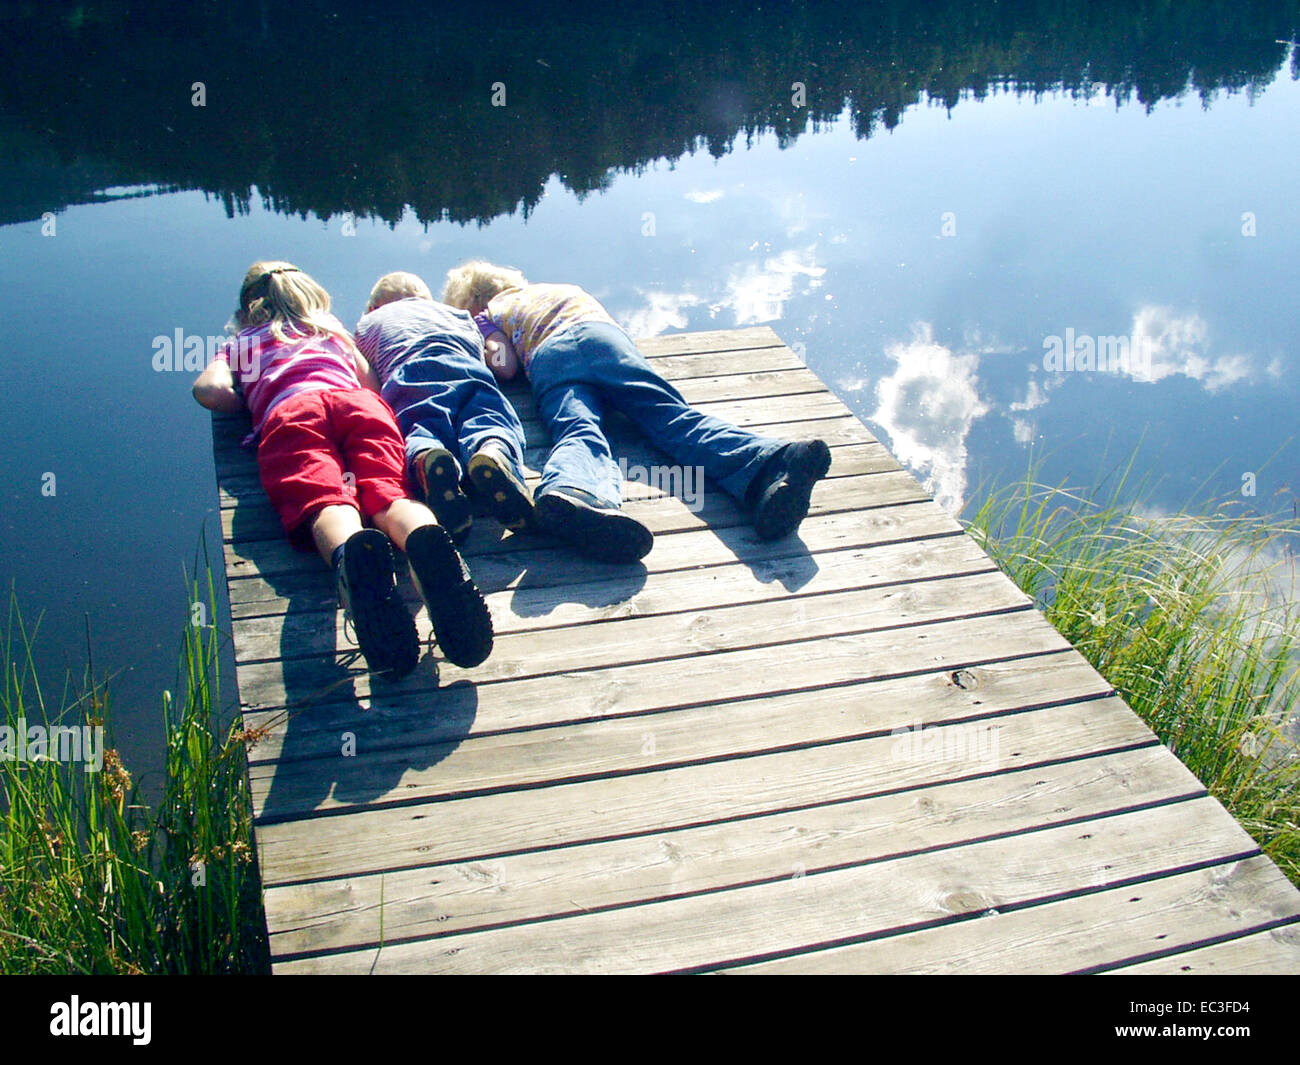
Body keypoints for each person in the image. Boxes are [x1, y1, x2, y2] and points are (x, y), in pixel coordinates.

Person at [191, 260, 493, 677]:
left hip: (292, 413)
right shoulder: (331, 330)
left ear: (247, 311)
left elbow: (208, 390)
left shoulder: (240, 344)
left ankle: (354, 554)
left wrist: (255, 399)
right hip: (357, 404)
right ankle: (424, 538)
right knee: (389, 495)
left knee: (325, 501)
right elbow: (369, 383)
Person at [442, 260, 831, 562]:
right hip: (604, 338)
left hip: (551, 358)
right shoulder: (563, 288)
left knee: (578, 429)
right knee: (668, 416)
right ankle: (771, 465)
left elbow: (505, 365)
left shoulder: (487, 313)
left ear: (470, 300)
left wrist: (488, 348)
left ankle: (576, 493)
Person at [354, 271, 532, 544]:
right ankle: (493, 451)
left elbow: (367, 375)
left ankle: (428, 456)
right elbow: (481, 350)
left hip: (409, 374)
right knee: (488, 418)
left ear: (372, 307)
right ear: (427, 300)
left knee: (420, 426)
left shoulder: (368, 323)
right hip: (466, 368)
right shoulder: (457, 315)